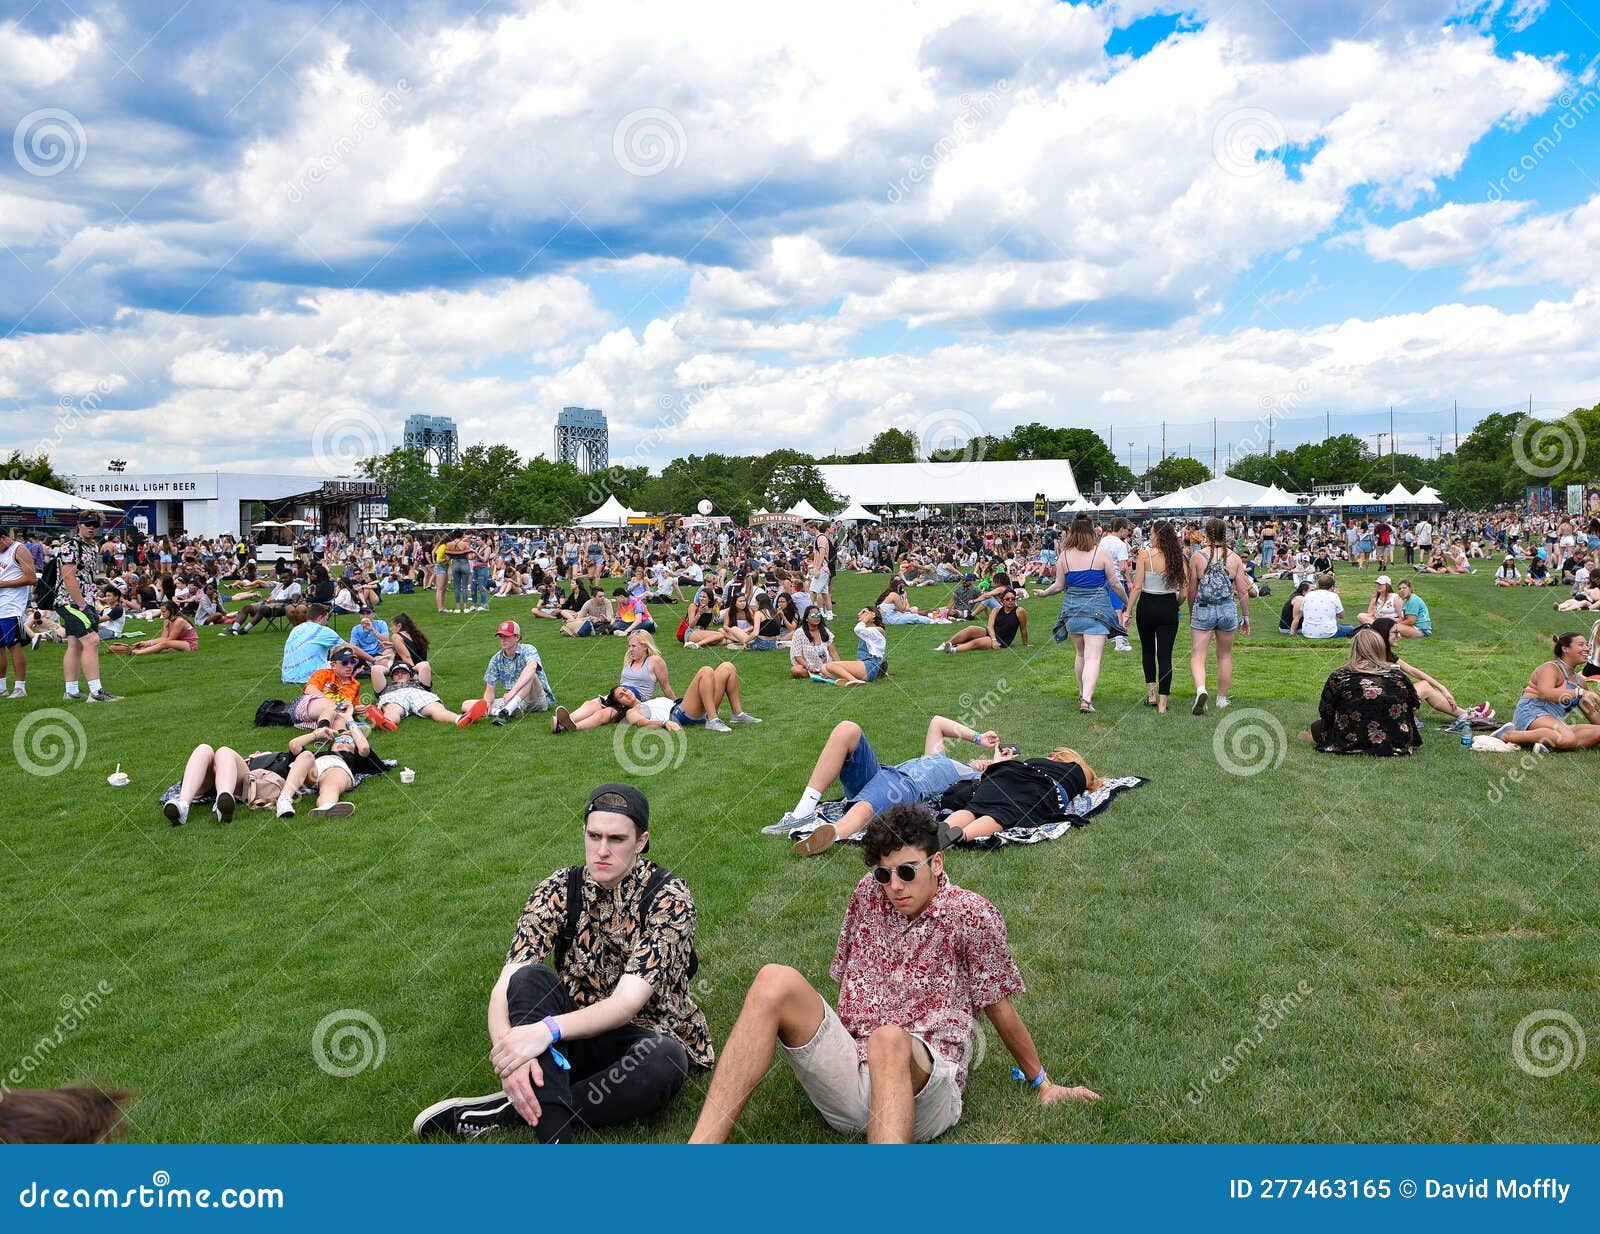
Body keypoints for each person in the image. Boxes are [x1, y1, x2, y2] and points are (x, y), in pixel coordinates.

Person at [691, 803, 1100, 1144]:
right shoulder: (867, 894)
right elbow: (845, 982)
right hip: (854, 1076)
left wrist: (1043, 1082)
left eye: (907, 871)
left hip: (925, 1090)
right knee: (773, 979)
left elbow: (997, 1005)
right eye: (884, 874)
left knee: (889, 1039)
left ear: (936, 862)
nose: (895, 886)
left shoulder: (969, 913)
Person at [414, 784, 710, 1141]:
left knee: (664, 1060)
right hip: (573, 1033)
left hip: (642, 1037)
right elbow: (505, 985)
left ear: (641, 841)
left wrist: (545, 1032)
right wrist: (511, 1055)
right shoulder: (559, 888)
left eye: (617, 839)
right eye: (594, 836)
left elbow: (624, 1005)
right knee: (528, 979)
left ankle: (514, 1112)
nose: (602, 850)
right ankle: (554, 1134)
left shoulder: (668, 898)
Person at [784, 715, 997, 854]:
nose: (985, 763)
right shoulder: (937, 756)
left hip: (907, 787)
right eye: (987, 761)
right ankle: (802, 812)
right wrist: (979, 738)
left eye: (990, 765)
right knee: (847, 729)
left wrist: (995, 763)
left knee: (870, 803)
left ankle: (835, 833)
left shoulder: (972, 778)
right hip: (881, 773)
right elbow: (937, 722)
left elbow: (1005, 774)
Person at [1034, 515, 1126, 713]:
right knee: (1093, 658)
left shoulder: (1064, 556)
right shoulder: (1101, 553)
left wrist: (1044, 593)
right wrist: (1128, 601)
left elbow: (1058, 586)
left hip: (1072, 611)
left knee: (1080, 654)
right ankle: (1086, 699)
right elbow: (1115, 583)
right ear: (1092, 532)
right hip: (1097, 612)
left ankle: (1082, 692)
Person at [942, 747, 1102, 840]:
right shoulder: (1078, 771)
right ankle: (959, 838)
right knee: (1002, 813)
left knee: (974, 808)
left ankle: (941, 832)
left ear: (1055, 756)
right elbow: (1090, 779)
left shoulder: (1034, 761)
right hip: (1043, 786)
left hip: (1008, 771)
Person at [1306, 629, 1422, 756]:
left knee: (1316, 727)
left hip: (1349, 740)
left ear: (1355, 649)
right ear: (1381, 648)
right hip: (1396, 741)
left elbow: (1325, 710)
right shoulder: (1398, 676)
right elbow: (1414, 706)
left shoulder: (1340, 676)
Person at [1367, 618, 1492, 729]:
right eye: (1395, 632)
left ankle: (1466, 714)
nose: (1399, 636)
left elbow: (1412, 670)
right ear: (1383, 634)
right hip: (1382, 709)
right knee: (1425, 687)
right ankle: (1468, 715)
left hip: (1381, 704)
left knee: (1424, 685)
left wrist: (1443, 689)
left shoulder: (1382, 653)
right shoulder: (1373, 658)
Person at [1488, 633, 1600, 751]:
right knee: (1568, 737)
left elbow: (1592, 713)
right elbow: (1545, 694)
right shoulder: (1550, 668)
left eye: (1587, 645)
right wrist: (1579, 692)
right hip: (1532, 713)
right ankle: (1507, 734)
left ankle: (1546, 743)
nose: (1587, 649)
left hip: (1553, 722)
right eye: (1581, 645)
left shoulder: (1580, 681)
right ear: (1565, 649)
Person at [54, 512, 122, 702]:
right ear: (79, 525)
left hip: (84, 602)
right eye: (88, 523)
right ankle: (96, 692)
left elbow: (87, 576)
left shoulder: (92, 546)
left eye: (95, 525)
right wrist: (83, 605)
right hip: (71, 602)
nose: (92, 527)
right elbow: (68, 577)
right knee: (92, 641)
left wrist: (93, 598)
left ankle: (71, 691)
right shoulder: (70, 546)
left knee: (75, 644)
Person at [1186, 517, 1250, 715]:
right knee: (1224, 655)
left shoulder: (1197, 557)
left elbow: (1191, 591)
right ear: (1226, 534)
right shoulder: (1235, 558)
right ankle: (1221, 698)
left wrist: (1192, 611)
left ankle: (1201, 689)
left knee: (1198, 655)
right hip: (1227, 609)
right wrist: (1246, 616)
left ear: (1206, 534)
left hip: (1203, 608)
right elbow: (1243, 590)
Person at [553, 632, 674, 734]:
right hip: (620, 693)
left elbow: (666, 687)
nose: (630, 649)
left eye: (633, 646)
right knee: (590, 704)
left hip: (634, 700)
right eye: (629, 646)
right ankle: (563, 722)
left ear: (645, 646)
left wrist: (676, 707)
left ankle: (572, 727)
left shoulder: (654, 661)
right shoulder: (629, 659)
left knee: (603, 714)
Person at [1128, 519, 1184, 712]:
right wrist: (1175, 604)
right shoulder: (1177, 557)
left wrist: (1128, 611)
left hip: (1147, 605)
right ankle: (1162, 704)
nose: (1150, 537)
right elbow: (1184, 590)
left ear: (1158, 535)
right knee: (1165, 655)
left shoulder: (1145, 555)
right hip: (1168, 605)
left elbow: (1137, 586)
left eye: (1151, 533)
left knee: (1148, 651)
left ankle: (1152, 695)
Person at [605, 662, 758, 733]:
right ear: (621, 704)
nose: (626, 693)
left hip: (690, 708)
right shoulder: (632, 711)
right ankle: (712, 720)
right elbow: (642, 722)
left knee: (727, 667)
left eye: (624, 689)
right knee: (706, 671)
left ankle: (736, 714)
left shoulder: (650, 700)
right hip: (679, 714)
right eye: (621, 695)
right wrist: (665, 723)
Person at [364, 659, 489, 730]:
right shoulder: (385, 687)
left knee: (435, 709)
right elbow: (376, 669)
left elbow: (424, 665)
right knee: (393, 709)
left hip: (418, 693)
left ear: (411, 674)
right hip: (394, 695)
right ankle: (387, 722)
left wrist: (411, 668)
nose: (400, 674)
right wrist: (390, 669)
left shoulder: (420, 683)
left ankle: (460, 719)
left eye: (404, 672)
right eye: (396, 673)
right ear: (391, 676)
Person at [476, 620, 557, 726]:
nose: (503, 639)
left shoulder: (528, 649)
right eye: (501, 636)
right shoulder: (496, 659)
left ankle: (506, 711)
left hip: (536, 698)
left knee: (531, 675)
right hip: (512, 700)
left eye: (506, 636)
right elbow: (489, 689)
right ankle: (504, 711)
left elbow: (532, 667)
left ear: (517, 637)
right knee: (467, 704)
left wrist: (512, 693)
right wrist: (487, 703)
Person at [0, 526, 37, 699]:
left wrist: (3, 584)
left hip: (11, 606)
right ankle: (1, 687)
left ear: (2, 538)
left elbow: (31, 578)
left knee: (14, 646)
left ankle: (20, 687)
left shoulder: (19, 549)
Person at [936, 587, 1027, 653]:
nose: (1010, 601)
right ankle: (947, 644)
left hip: (1002, 640)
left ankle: (952, 650)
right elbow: (990, 626)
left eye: (1013, 599)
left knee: (976, 642)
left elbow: (1023, 629)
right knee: (970, 629)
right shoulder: (996, 610)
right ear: (1002, 600)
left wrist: (1025, 644)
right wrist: (993, 638)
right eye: (1007, 599)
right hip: (991, 633)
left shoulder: (1019, 611)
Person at [281, 603, 349, 685]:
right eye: (326, 619)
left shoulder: (296, 629)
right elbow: (350, 648)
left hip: (288, 676)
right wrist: (365, 657)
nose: (326, 622)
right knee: (346, 660)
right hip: (312, 676)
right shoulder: (323, 630)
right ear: (320, 618)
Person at [818, 606, 888, 684]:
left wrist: (865, 620)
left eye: (863, 612)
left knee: (831, 666)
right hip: (865, 665)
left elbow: (857, 629)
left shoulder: (878, 630)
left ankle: (854, 680)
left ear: (872, 616)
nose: (859, 614)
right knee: (823, 668)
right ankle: (848, 678)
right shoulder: (866, 631)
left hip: (870, 665)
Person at [107, 599, 198, 655]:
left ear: (172, 611)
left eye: (164, 612)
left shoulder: (179, 621)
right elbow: (163, 637)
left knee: (164, 645)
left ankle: (139, 653)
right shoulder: (167, 620)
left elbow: (169, 640)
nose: (162, 614)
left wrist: (148, 644)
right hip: (179, 642)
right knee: (161, 647)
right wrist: (146, 643)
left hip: (189, 644)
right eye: (161, 612)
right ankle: (145, 649)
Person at [1294, 572, 1354, 639]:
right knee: (1350, 628)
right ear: (1332, 586)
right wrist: (1337, 597)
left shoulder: (1308, 595)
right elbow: (1341, 615)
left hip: (1307, 632)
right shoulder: (1334, 596)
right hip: (1327, 632)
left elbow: (1302, 611)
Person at [789, 606, 836, 679]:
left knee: (838, 667)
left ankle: (823, 673)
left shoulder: (825, 631)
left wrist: (838, 665)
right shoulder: (799, 633)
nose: (816, 618)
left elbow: (833, 652)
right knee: (796, 670)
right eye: (813, 615)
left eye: (818, 615)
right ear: (806, 618)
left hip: (826, 665)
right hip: (807, 667)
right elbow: (797, 656)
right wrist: (808, 666)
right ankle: (820, 674)